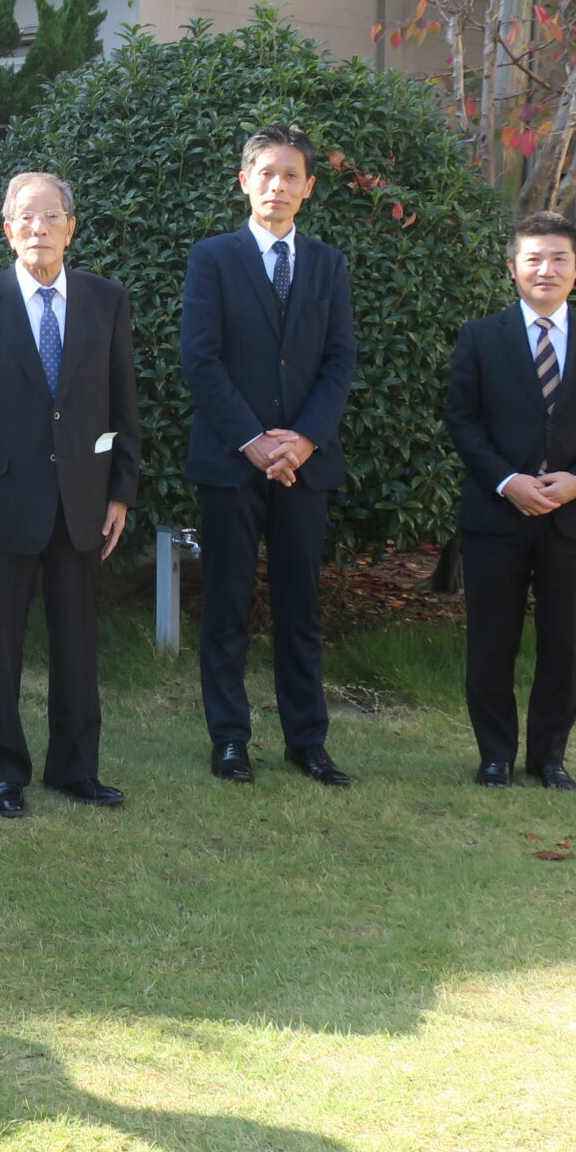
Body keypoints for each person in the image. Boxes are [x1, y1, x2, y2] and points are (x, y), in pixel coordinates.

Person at [0, 170, 142, 818]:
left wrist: (120, 492)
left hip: (82, 501)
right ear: (7, 230)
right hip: (1, 508)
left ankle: (75, 768)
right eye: (24, 217)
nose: (38, 227)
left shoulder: (107, 301)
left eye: (50, 215)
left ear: (70, 226)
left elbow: (122, 406)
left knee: (78, 641)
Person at [180, 123, 359, 787]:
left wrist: (304, 439)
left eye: (291, 175)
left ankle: (306, 739)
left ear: (308, 188)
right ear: (244, 181)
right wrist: (254, 441)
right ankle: (229, 738)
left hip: (304, 465)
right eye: (266, 173)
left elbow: (340, 359)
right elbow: (199, 358)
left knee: (300, 606)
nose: (277, 185)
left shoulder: (328, 265)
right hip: (232, 462)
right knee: (227, 603)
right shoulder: (212, 258)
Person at [444, 209, 576, 791]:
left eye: (558, 258)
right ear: (512, 268)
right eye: (533, 258)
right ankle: (495, 757)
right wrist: (510, 481)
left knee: (564, 643)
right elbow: (463, 419)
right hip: (496, 514)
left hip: (575, 517)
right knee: (490, 640)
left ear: (575, 270)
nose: (545, 269)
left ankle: (550, 758)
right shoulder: (481, 337)